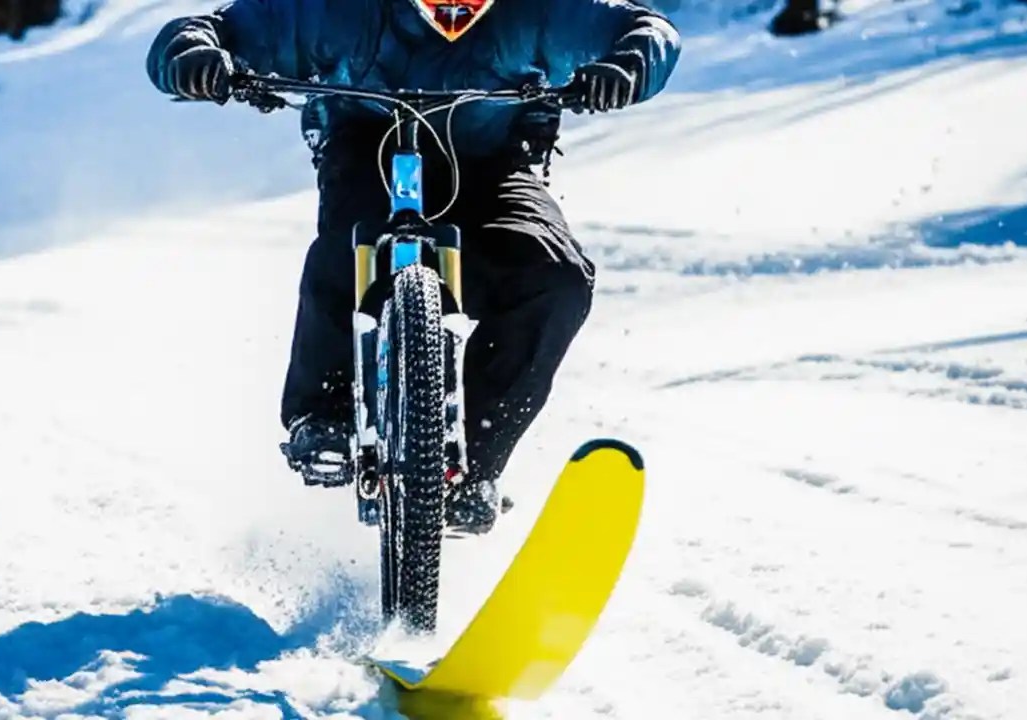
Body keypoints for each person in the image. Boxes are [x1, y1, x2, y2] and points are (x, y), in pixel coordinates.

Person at [147, 0, 680, 533]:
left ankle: (474, 465)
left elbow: (644, 30)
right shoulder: (327, 11)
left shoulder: (534, 11)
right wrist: (197, 58)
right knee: (350, 241)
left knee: (555, 277)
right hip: (367, 149)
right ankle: (323, 416)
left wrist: (626, 65)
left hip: (492, 166)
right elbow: (207, 31)